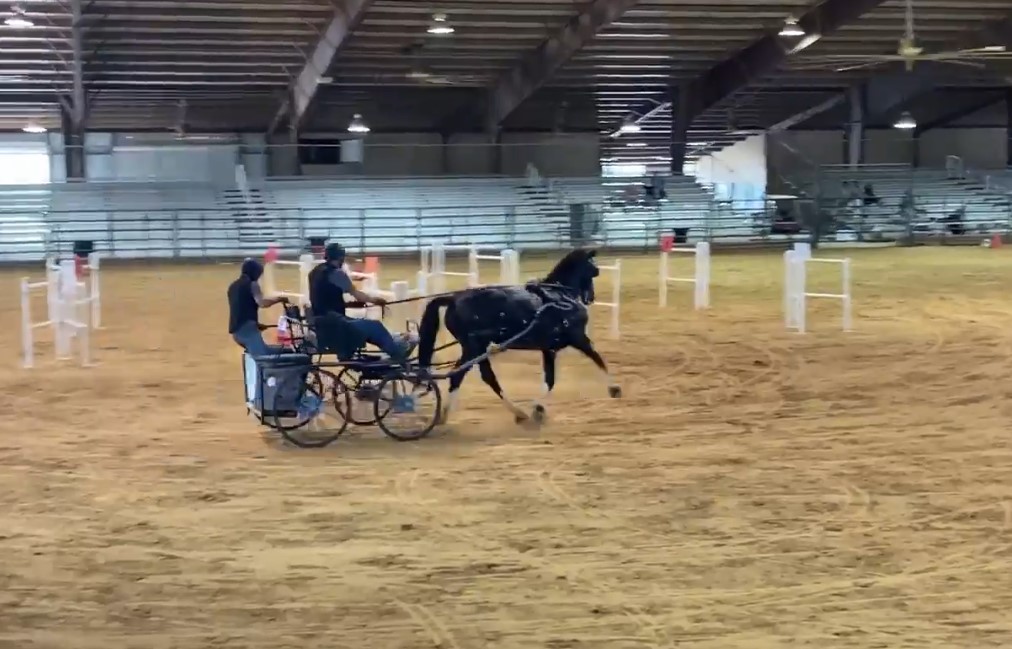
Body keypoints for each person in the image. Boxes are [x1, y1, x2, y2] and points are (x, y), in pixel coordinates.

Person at [308, 243, 416, 361]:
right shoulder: (336, 273)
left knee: (367, 326)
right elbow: (357, 294)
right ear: (341, 257)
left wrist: (348, 304)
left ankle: (394, 343)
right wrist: (376, 301)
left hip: (323, 323)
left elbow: (322, 299)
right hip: (336, 325)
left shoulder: (314, 272)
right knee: (374, 326)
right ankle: (397, 352)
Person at [227, 257, 287, 356]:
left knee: (265, 351)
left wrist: (256, 324)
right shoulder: (252, 284)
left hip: (236, 332)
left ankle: (287, 353)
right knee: (263, 357)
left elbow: (240, 308)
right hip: (247, 331)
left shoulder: (232, 286)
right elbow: (262, 303)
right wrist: (280, 299)